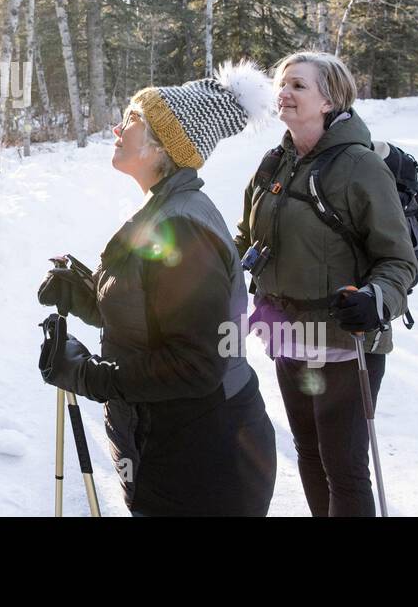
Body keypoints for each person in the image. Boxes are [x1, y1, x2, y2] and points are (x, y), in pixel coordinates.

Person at [38, 63, 277, 516]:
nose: (117, 127)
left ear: (163, 145)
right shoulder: (164, 208)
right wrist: (87, 296)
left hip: (203, 456)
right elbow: (153, 314)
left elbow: (197, 364)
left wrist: (89, 376)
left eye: (131, 119)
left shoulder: (183, 226)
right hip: (169, 442)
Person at [235, 51, 418, 517]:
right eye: (282, 83)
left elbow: (398, 259)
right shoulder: (273, 162)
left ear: (329, 100)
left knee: (345, 468)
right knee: (310, 454)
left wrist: (377, 298)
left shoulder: (360, 167)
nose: (285, 92)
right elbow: (244, 240)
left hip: (344, 342)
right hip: (286, 335)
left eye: (298, 85)